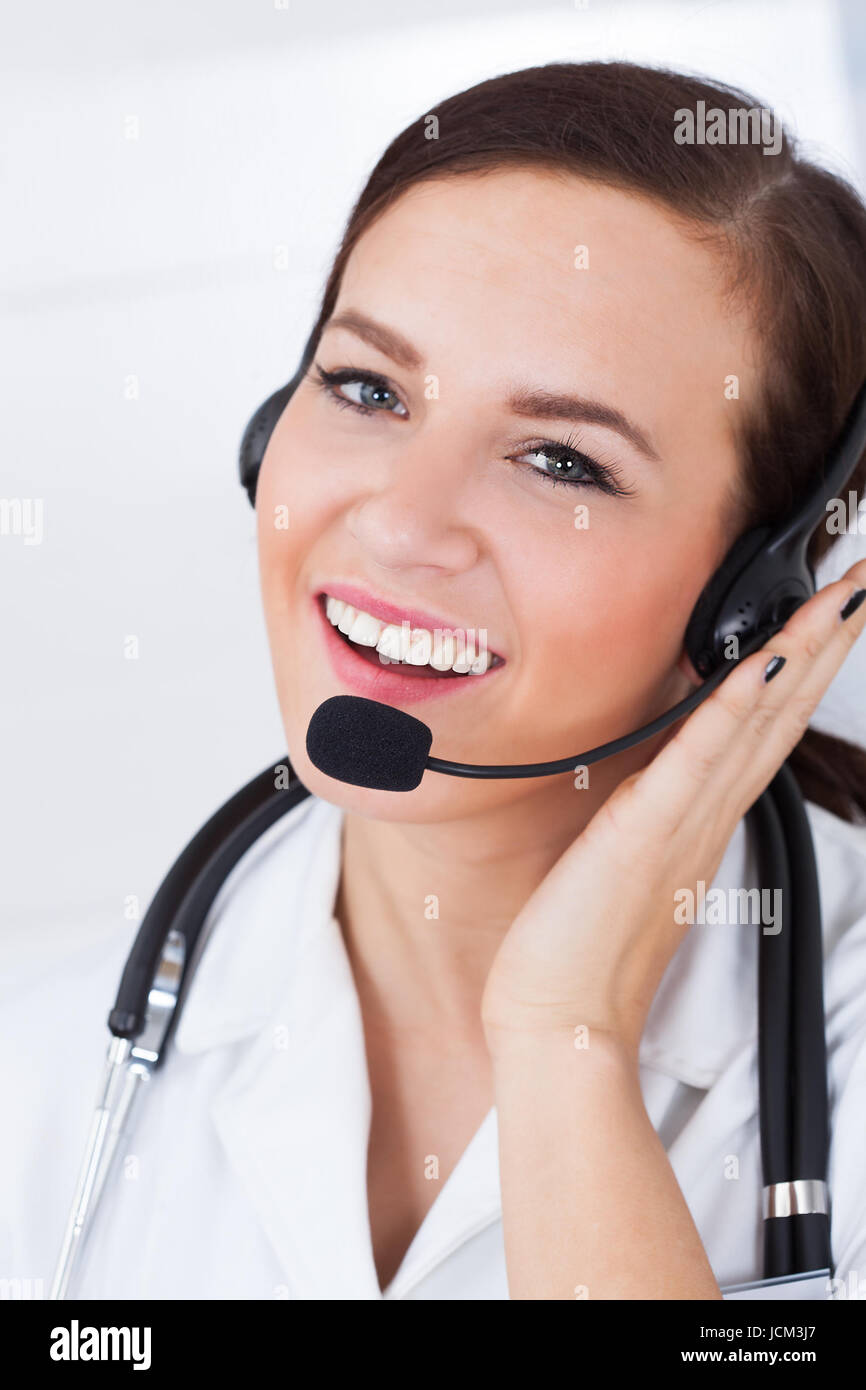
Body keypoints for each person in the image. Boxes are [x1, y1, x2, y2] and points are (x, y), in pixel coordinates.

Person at [4, 59, 866, 1302]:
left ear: (752, 598)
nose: (402, 524)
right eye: (366, 387)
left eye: (561, 461)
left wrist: (566, 1039)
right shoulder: (38, 1076)